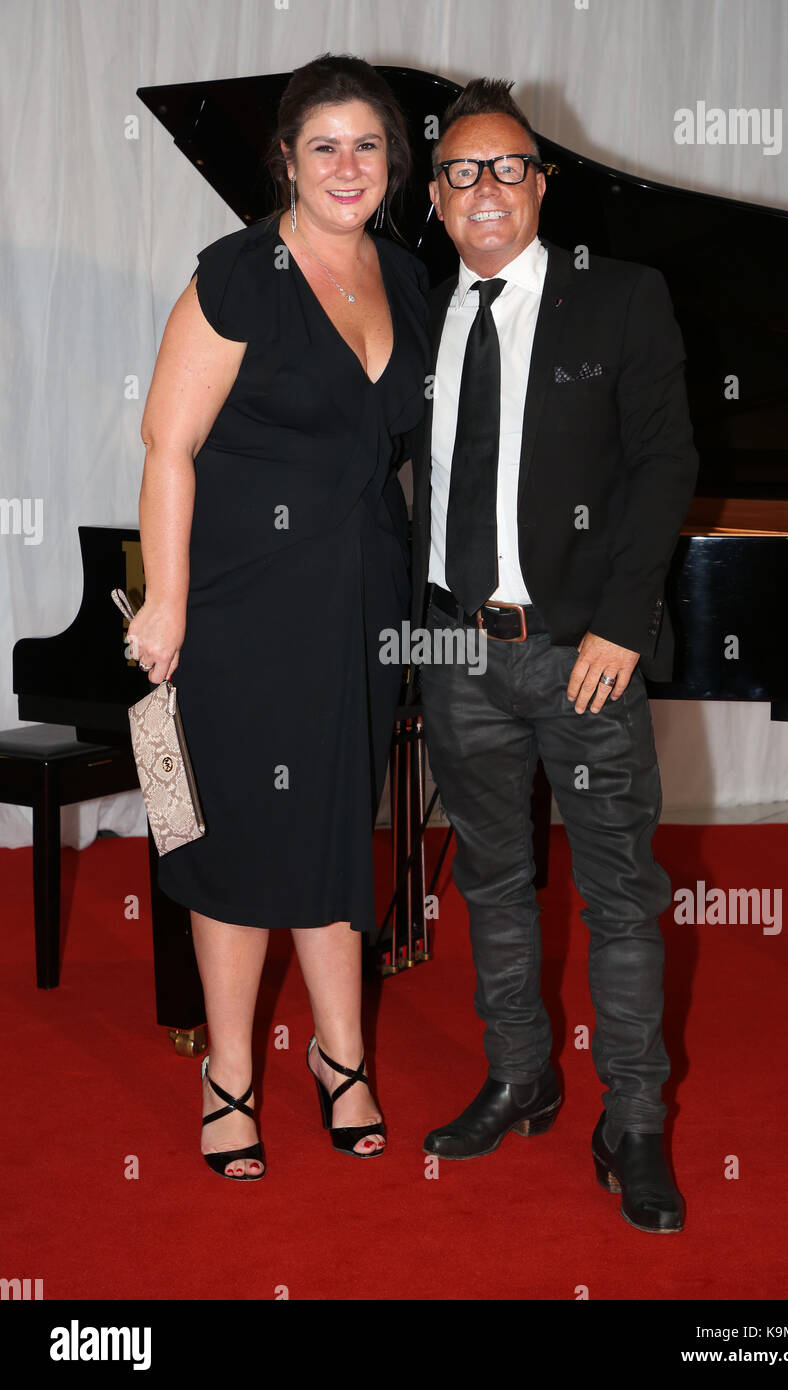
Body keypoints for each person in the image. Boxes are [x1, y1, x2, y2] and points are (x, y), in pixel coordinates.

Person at [131, 54, 428, 1178]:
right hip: (241, 601)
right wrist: (164, 602)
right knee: (234, 837)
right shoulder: (240, 274)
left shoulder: (406, 279)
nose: (347, 165)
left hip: (360, 598)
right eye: (324, 146)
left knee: (333, 824)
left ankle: (340, 1057)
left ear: (390, 160)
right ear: (286, 160)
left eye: (367, 144)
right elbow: (168, 443)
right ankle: (229, 1074)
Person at [411, 79, 699, 1232]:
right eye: (462, 173)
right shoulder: (415, 313)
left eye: (508, 168)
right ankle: (519, 1073)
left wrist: (623, 622)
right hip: (452, 651)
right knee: (488, 880)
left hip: (581, 652)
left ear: (543, 182)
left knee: (619, 892)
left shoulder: (622, 300)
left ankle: (632, 1116)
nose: (486, 190)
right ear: (433, 199)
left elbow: (663, 463)